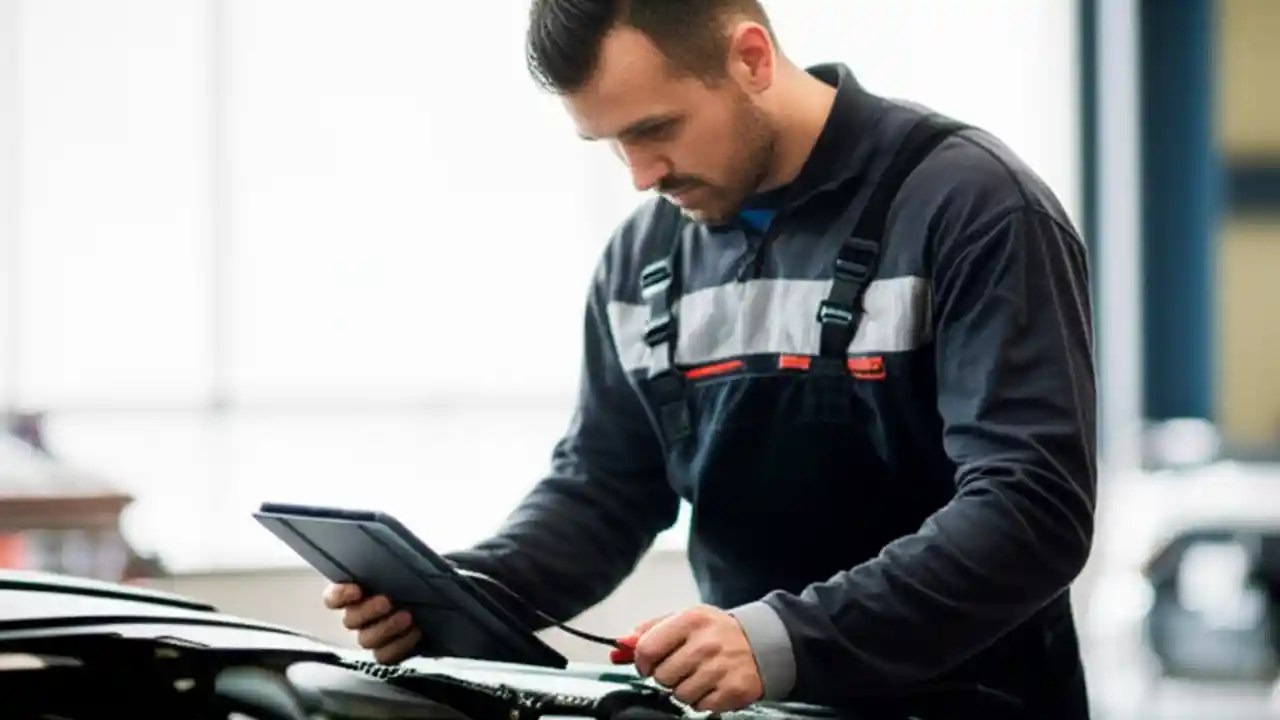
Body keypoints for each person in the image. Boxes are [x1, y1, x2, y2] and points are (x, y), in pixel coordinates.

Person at [323, 1, 1097, 717]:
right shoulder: (643, 257)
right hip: (759, 710)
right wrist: (461, 595)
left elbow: (1030, 510)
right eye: (613, 143)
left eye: (657, 127)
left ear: (751, 58)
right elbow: (604, 487)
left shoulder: (972, 208)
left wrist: (787, 640)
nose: (641, 175)